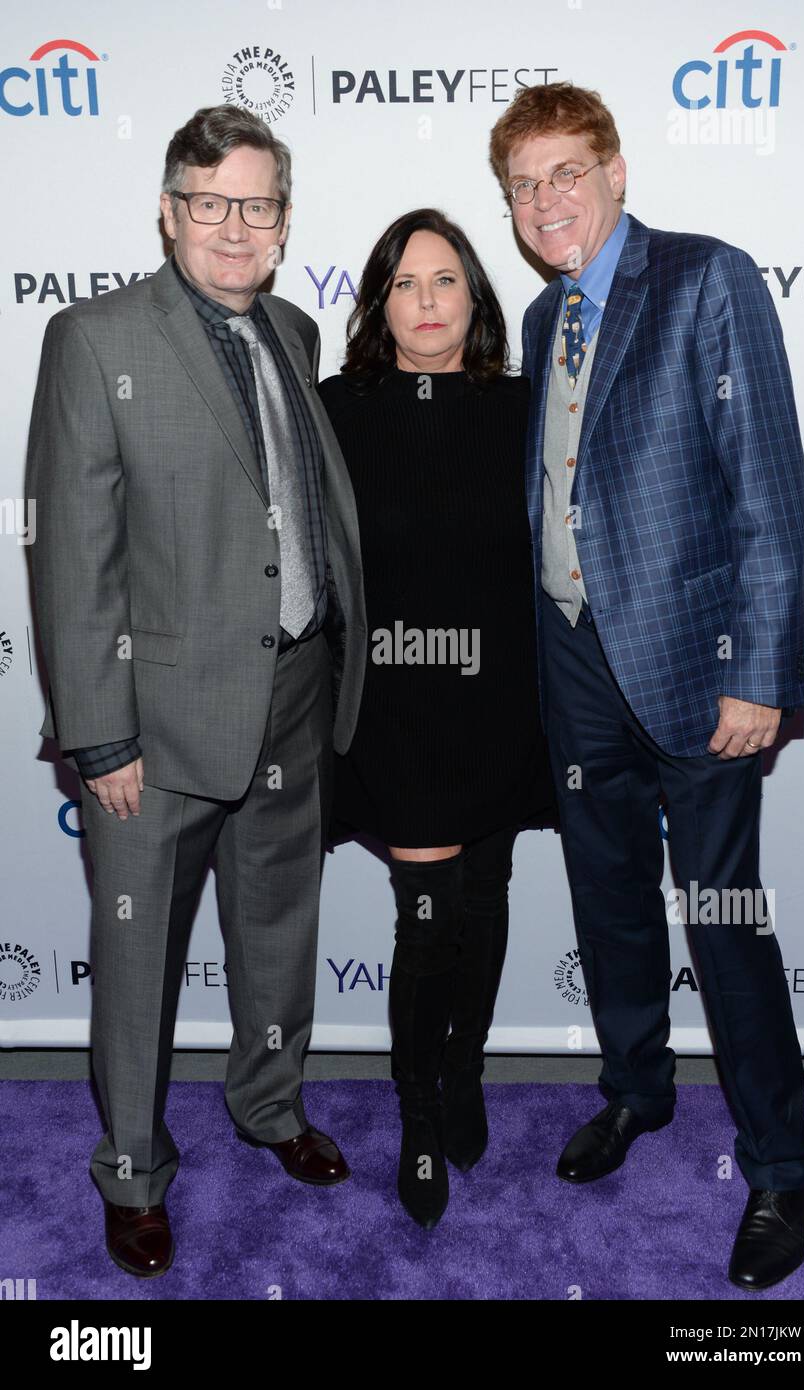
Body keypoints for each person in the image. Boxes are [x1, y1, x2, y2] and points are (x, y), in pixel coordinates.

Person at [24, 105, 367, 1278]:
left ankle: (269, 1105)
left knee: (276, 931)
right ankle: (131, 1168)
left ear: (282, 222)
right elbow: (72, 555)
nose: (234, 226)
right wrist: (99, 734)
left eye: (257, 203)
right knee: (136, 959)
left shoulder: (295, 325)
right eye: (209, 202)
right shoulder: (93, 337)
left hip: (294, 692)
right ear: (169, 213)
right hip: (154, 724)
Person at [489, 82, 804, 1290]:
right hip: (572, 657)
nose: (545, 200)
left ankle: (780, 1159)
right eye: (523, 185)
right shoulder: (538, 316)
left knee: (721, 911)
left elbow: (767, 490)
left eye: (565, 172)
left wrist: (758, 669)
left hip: (696, 668)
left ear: (615, 170)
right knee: (609, 897)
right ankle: (636, 1091)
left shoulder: (704, 277)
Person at [318, 209, 556, 1228]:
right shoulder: (336, 408)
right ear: (379, 303)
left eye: (445, 280)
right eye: (404, 283)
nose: (426, 301)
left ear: (474, 297)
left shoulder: (522, 406)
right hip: (396, 702)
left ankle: (465, 1071)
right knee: (425, 924)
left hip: (500, 695)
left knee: (486, 897)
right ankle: (419, 1117)